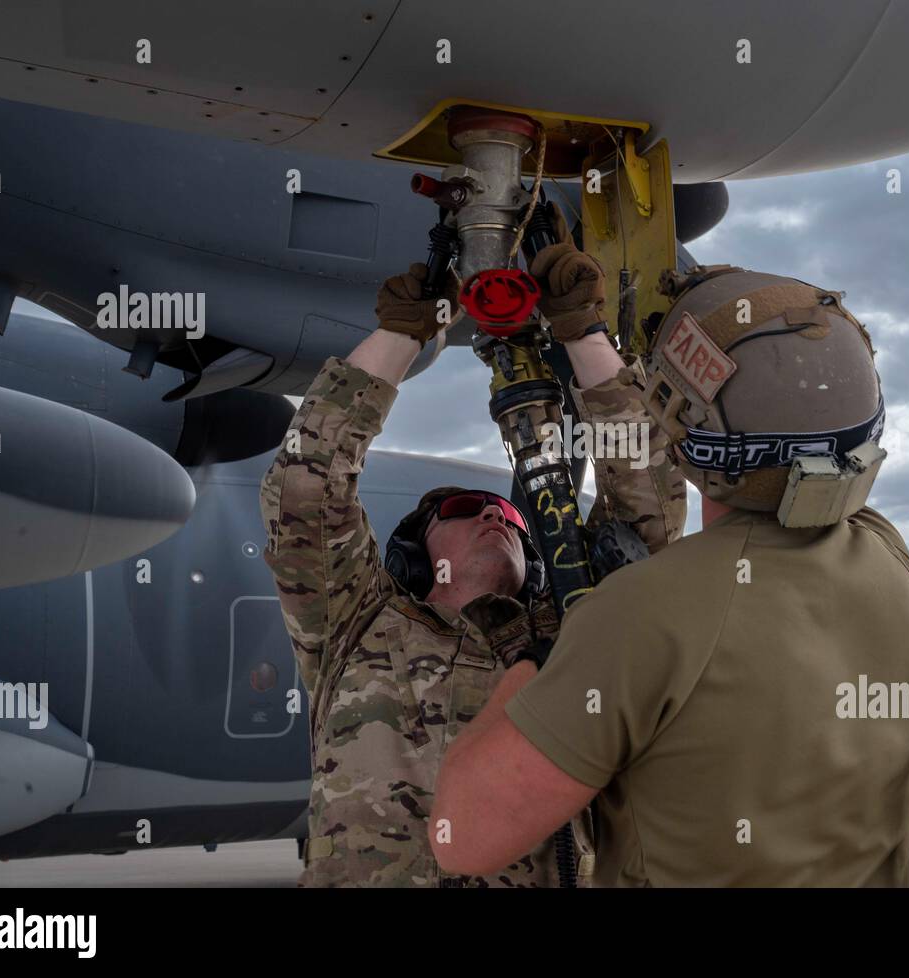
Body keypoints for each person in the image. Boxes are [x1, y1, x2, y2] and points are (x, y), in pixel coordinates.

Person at [431, 264, 909, 887]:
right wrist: (587, 335)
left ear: (679, 428)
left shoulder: (640, 613)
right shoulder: (890, 561)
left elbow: (463, 836)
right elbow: (803, 423)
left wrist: (540, 662)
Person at [259, 224, 685, 886]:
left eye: (511, 517)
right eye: (460, 509)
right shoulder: (354, 628)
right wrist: (405, 330)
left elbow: (649, 509)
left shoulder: (572, 634)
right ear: (416, 554)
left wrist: (582, 333)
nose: (493, 512)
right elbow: (307, 486)